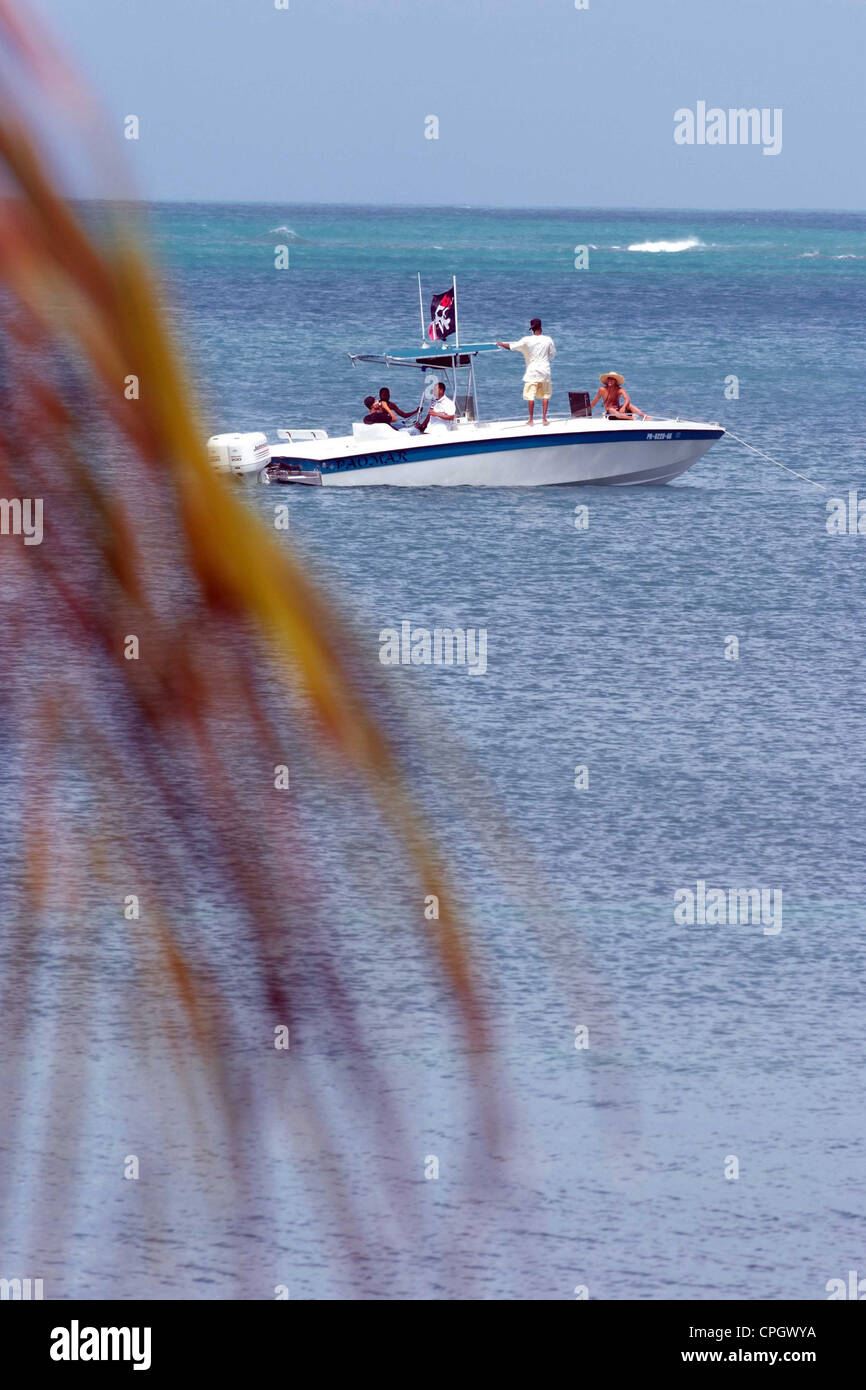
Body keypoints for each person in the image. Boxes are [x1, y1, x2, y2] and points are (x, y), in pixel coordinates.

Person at [496, 317, 556, 425]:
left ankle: (531, 419)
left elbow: (511, 347)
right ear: (541, 328)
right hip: (545, 371)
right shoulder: (548, 340)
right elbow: (551, 354)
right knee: (546, 395)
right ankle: (544, 419)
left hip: (532, 372)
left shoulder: (526, 340)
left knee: (530, 395)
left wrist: (501, 343)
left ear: (532, 329)